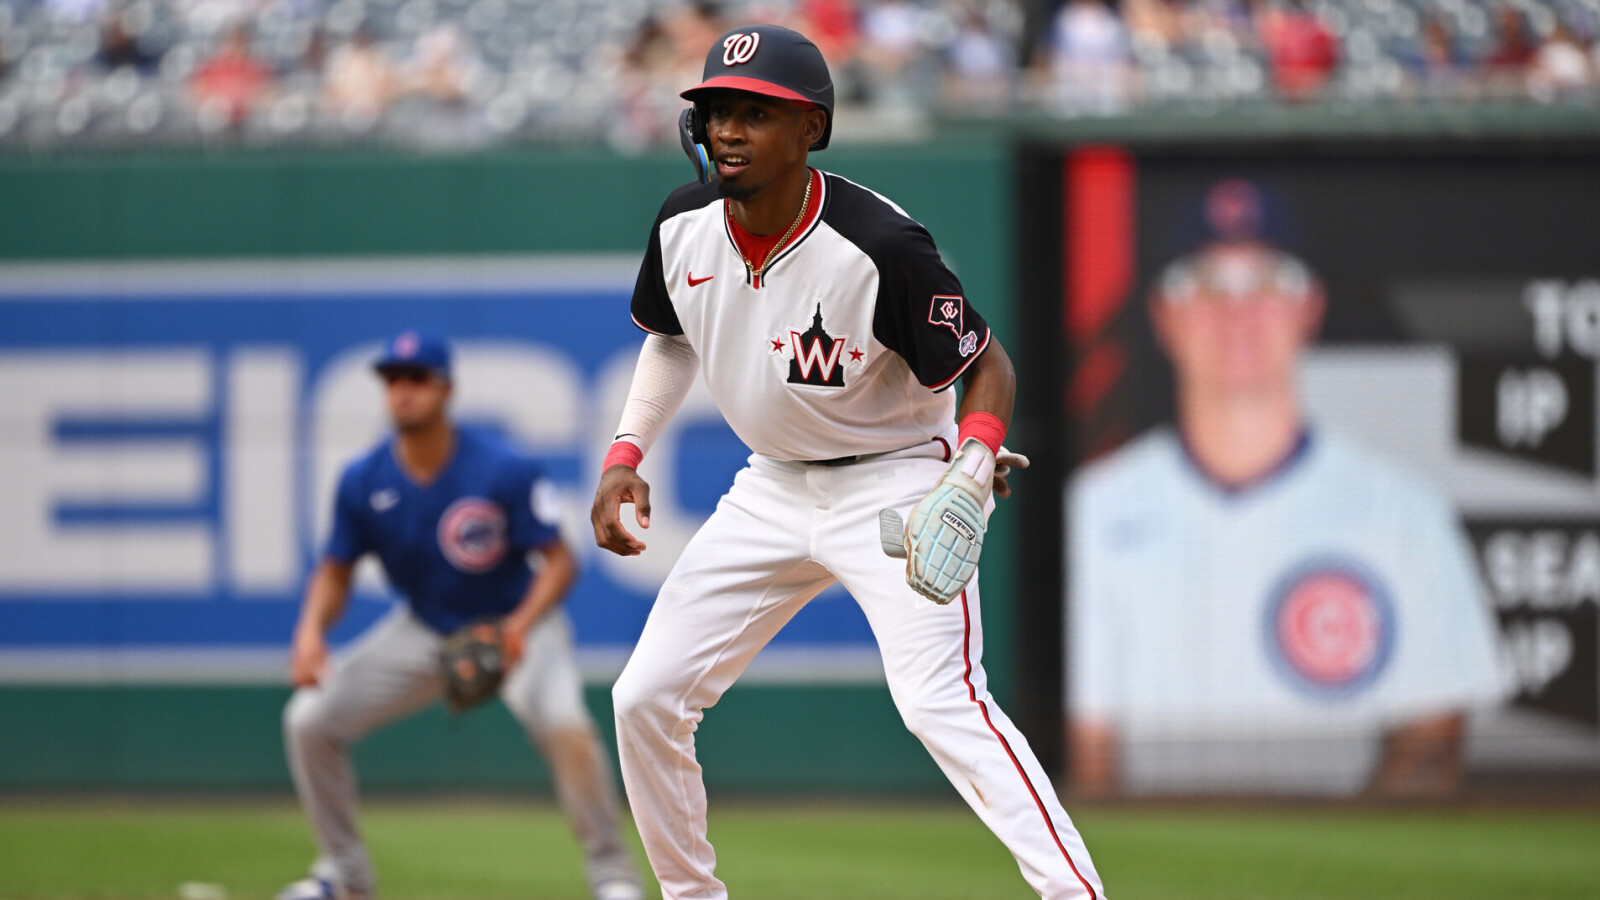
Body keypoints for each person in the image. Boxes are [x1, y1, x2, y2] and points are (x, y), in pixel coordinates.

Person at [591, 25, 1107, 900]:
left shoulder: (878, 245)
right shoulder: (683, 223)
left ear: (812, 129)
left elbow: (987, 364)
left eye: (758, 113)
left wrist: (969, 467)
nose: (728, 129)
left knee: (940, 702)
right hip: (770, 486)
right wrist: (626, 450)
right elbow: (672, 337)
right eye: (716, 110)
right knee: (643, 697)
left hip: (895, 480)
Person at [1067, 234, 1506, 798]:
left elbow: (1431, 742)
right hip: (1147, 843)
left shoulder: (1402, 510)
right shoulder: (1094, 509)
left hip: (1345, 845)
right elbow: (1086, 755)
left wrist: (1337, 854)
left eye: (1269, 282)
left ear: (1309, 307)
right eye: (1205, 285)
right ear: (1164, 314)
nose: (1238, 312)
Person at [280, 332, 644, 900]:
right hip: (425, 628)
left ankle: (612, 875)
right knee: (309, 721)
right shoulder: (364, 479)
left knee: (566, 727)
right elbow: (334, 570)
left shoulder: (502, 468)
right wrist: (309, 634)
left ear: (445, 389)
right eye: (392, 379)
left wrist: (517, 628)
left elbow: (559, 562)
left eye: (416, 378)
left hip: (515, 625)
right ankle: (346, 877)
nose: (402, 391)